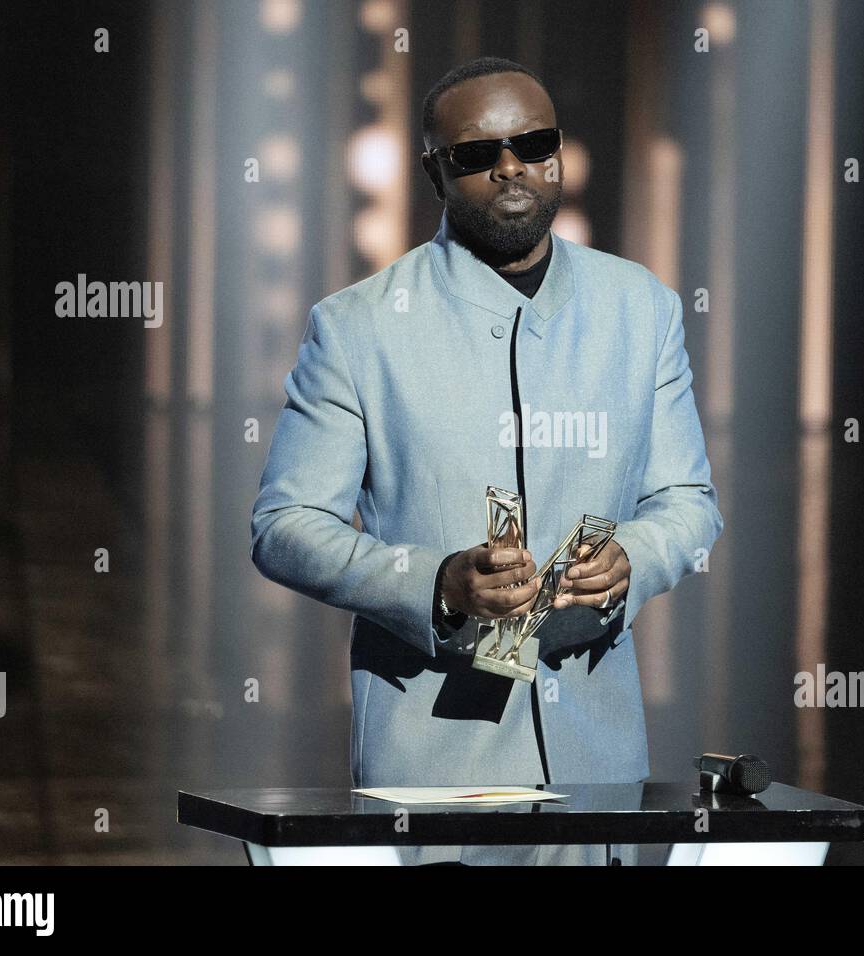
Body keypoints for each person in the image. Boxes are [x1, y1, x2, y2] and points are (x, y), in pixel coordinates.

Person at [250, 56, 723, 864]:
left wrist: (631, 560)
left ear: (559, 154)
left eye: (532, 143)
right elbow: (284, 526)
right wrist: (432, 582)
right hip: (432, 765)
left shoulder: (640, 308)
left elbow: (687, 500)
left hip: (598, 760)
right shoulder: (359, 327)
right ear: (435, 170)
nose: (511, 167)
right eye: (477, 153)